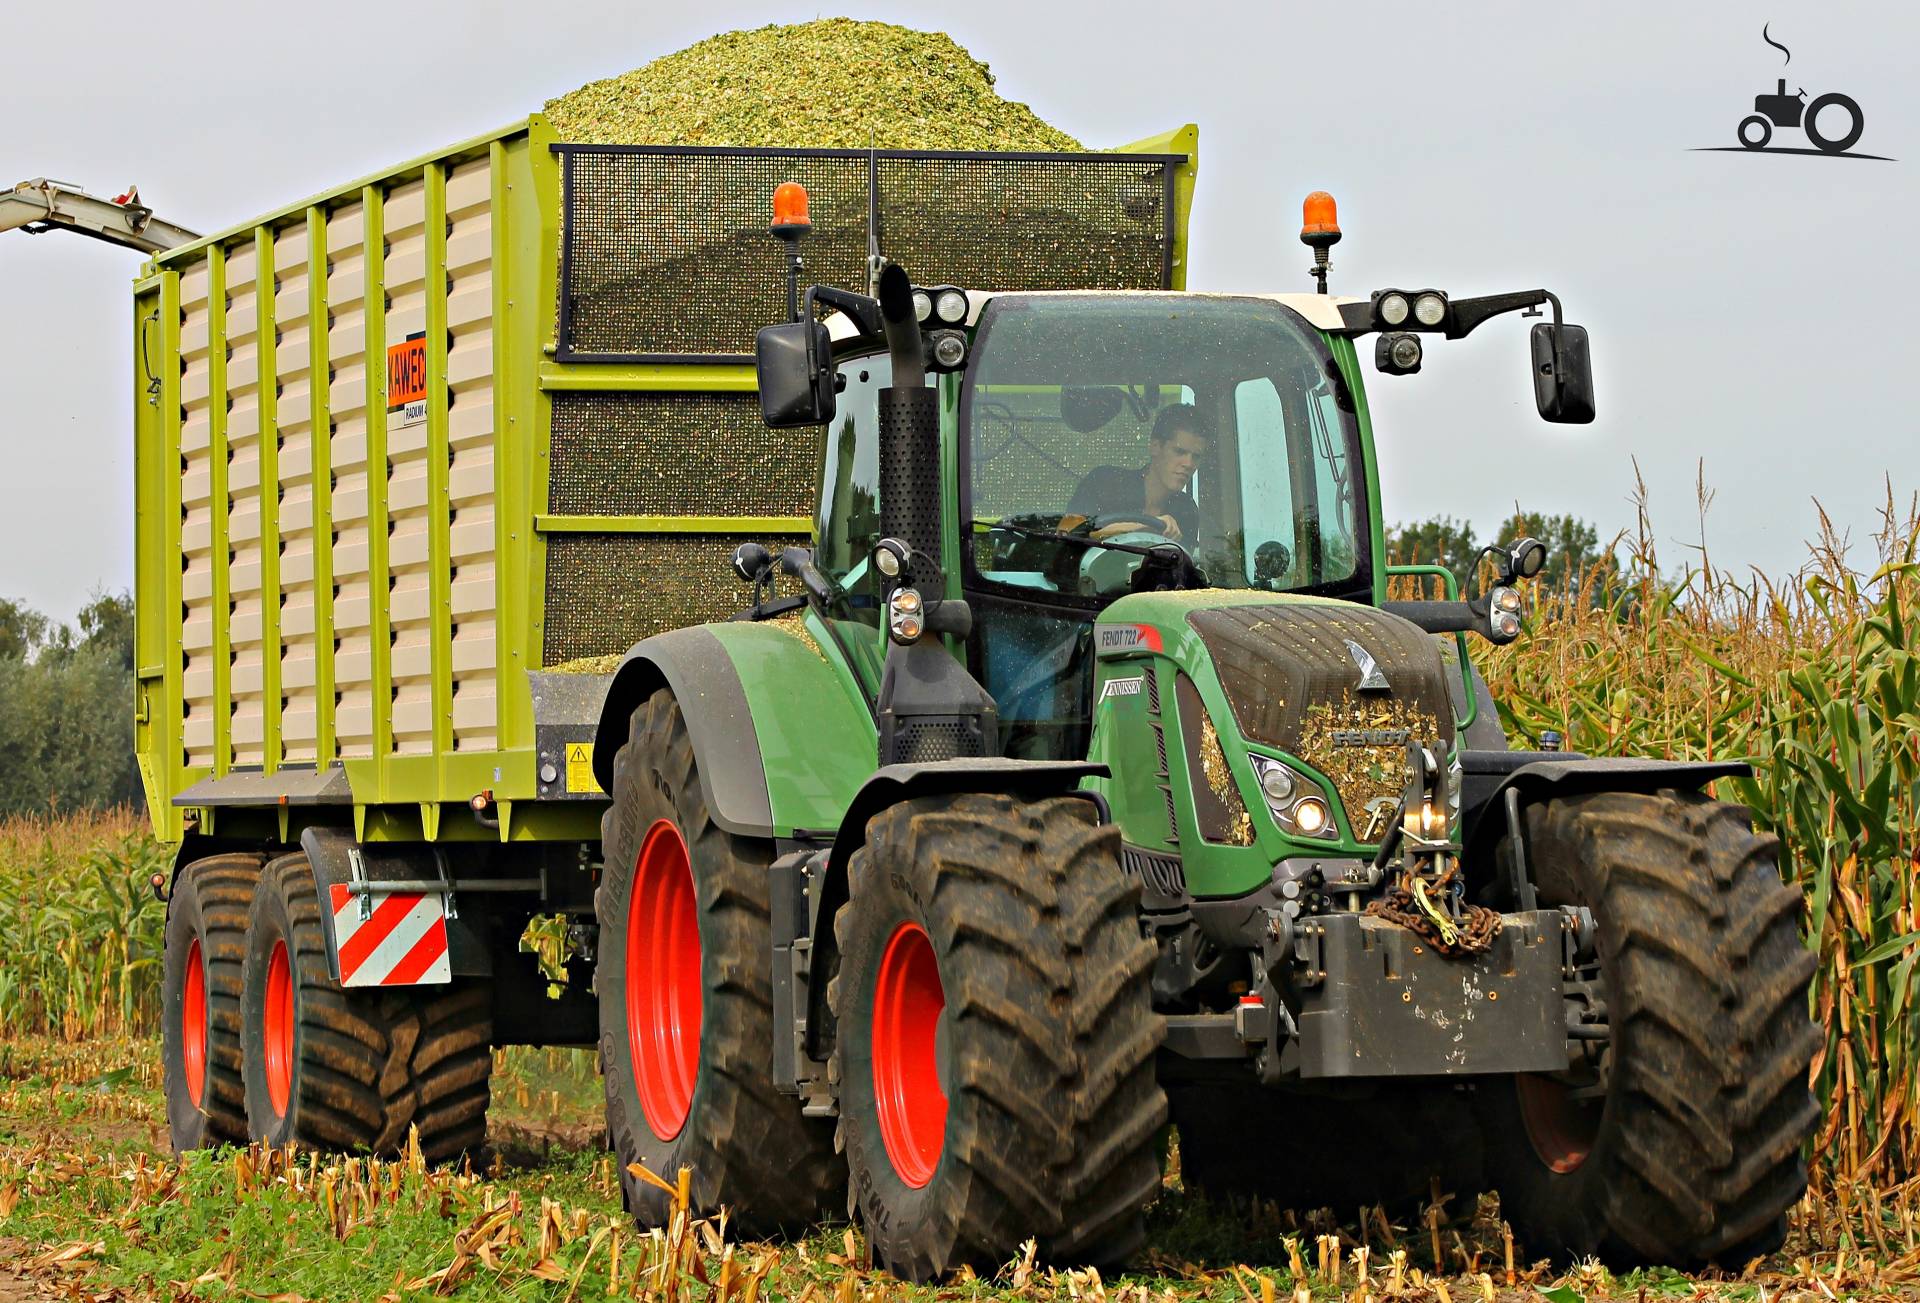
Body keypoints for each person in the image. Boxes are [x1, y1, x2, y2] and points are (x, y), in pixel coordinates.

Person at [1065, 404, 1207, 542]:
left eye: (1196, 456)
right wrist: (1145, 526)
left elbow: (1183, 562)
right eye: (1179, 452)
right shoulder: (1104, 483)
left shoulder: (1185, 510)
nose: (1188, 464)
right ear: (1155, 447)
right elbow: (1069, 535)